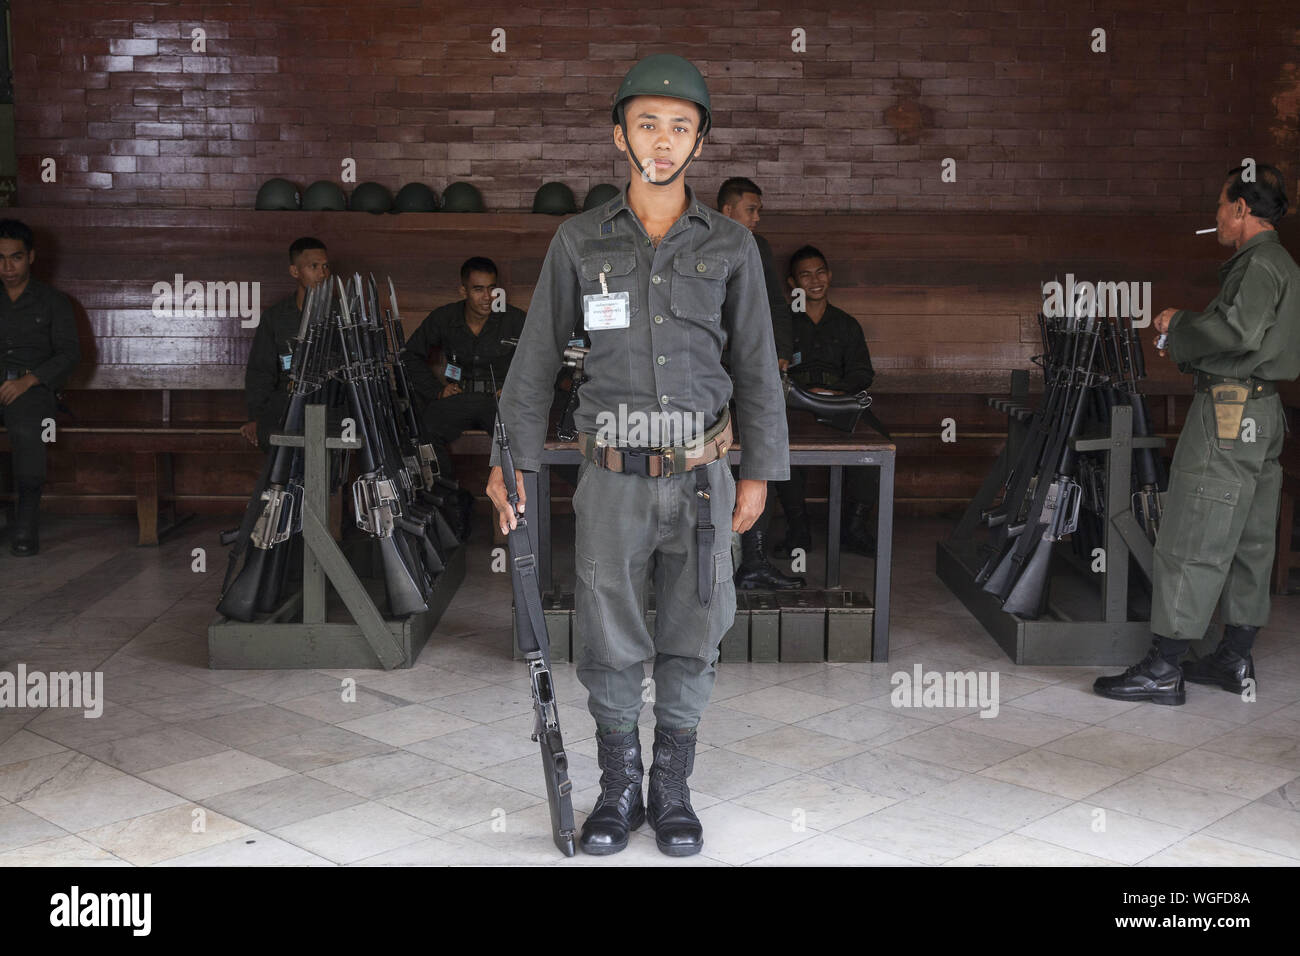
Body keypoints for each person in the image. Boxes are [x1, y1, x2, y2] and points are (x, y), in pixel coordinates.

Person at [486, 54, 788, 857]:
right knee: (611, 636)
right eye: (647, 124)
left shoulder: (730, 246)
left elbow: (758, 365)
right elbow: (535, 360)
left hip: (702, 478)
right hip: (612, 479)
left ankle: (672, 790)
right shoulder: (579, 240)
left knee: (696, 631)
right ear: (619, 135)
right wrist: (507, 460)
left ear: (701, 141)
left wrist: (758, 470)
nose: (663, 140)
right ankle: (617, 789)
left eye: (680, 126)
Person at [1095, 164, 1300, 705]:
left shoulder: (1257, 265)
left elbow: (1236, 332)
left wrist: (1176, 324)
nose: (1215, 217)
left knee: (1192, 533)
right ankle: (1233, 659)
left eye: (1219, 206)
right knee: (1250, 538)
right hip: (1264, 413)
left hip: (1229, 411)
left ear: (1239, 209)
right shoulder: (1280, 263)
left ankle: (1163, 668)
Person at [716, 176, 802, 588]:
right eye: (751, 209)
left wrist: (779, 353)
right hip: (710, 377)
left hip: (751, 373)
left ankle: (755, 558)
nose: (757, 217)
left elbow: (774, 306)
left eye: (759, 210)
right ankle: (716, 563)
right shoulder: (702, 239)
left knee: (759, 460)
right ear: (727, 210)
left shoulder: (757, 246)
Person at [774, 244, 879, 557]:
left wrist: (837, 393)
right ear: (793, 283)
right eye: (805, 275)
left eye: (820, 272)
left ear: (830, 276)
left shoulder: (846, 324)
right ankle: (798, 530)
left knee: (873, 447)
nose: (814, 280)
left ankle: (854, 529)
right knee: (781, 445)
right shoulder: (784, 323)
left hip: (839, 403)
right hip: (795, 402)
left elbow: (863, 372)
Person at [400, 256, 526, 483]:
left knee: (518, 438)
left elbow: (537, 361)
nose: (487, 297)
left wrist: (513, 390)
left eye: (492, 288)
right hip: (460, 398)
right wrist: (436, 391)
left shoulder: (515, 320)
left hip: (499, 401)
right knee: (424, 431)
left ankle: (514, 503)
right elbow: (410, 356)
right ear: (463, 291)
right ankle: (449, 499)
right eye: (478, 289)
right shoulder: (445, 318)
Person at [0, 219, 80, 556]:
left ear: (31, 257)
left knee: (28, 429)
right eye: (0, 258)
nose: (7, 267)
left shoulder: (53, 301)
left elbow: (70, 354)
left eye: (15, 257)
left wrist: (28, 380)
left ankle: (26, 522)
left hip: (33, 387)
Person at [242, 237, 330, 451]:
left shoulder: (338, 315)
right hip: (286, 402)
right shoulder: (276, 317)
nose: (322, 274)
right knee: (271, 437)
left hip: (329, 402)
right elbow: (261, 371)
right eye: (314, 267)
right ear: (295, 271)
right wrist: (255, 416)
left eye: (325, 266)